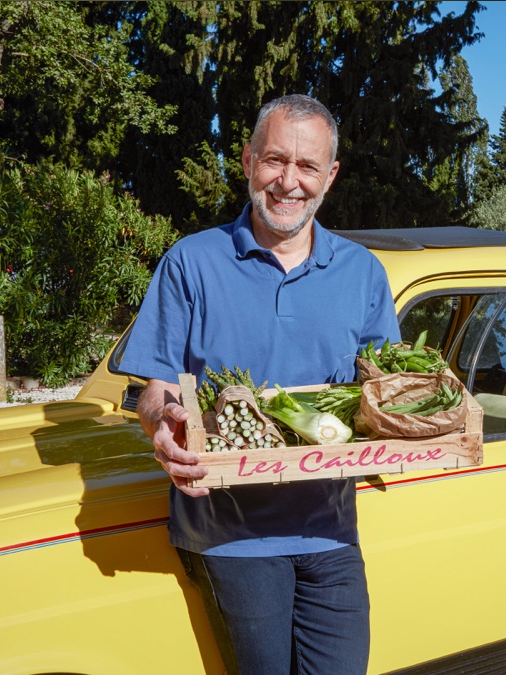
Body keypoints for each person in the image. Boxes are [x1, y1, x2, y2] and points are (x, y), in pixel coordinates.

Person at [118, 93, 400, 674]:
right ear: (248, 160)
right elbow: (158, 386)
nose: (288, 182)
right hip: (229, 535)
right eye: (275, 160)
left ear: (330, 176)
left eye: (307, 166)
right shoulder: (192, 262)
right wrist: (163, 424)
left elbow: (383, 389)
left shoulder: (363, 273)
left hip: (331, 531)